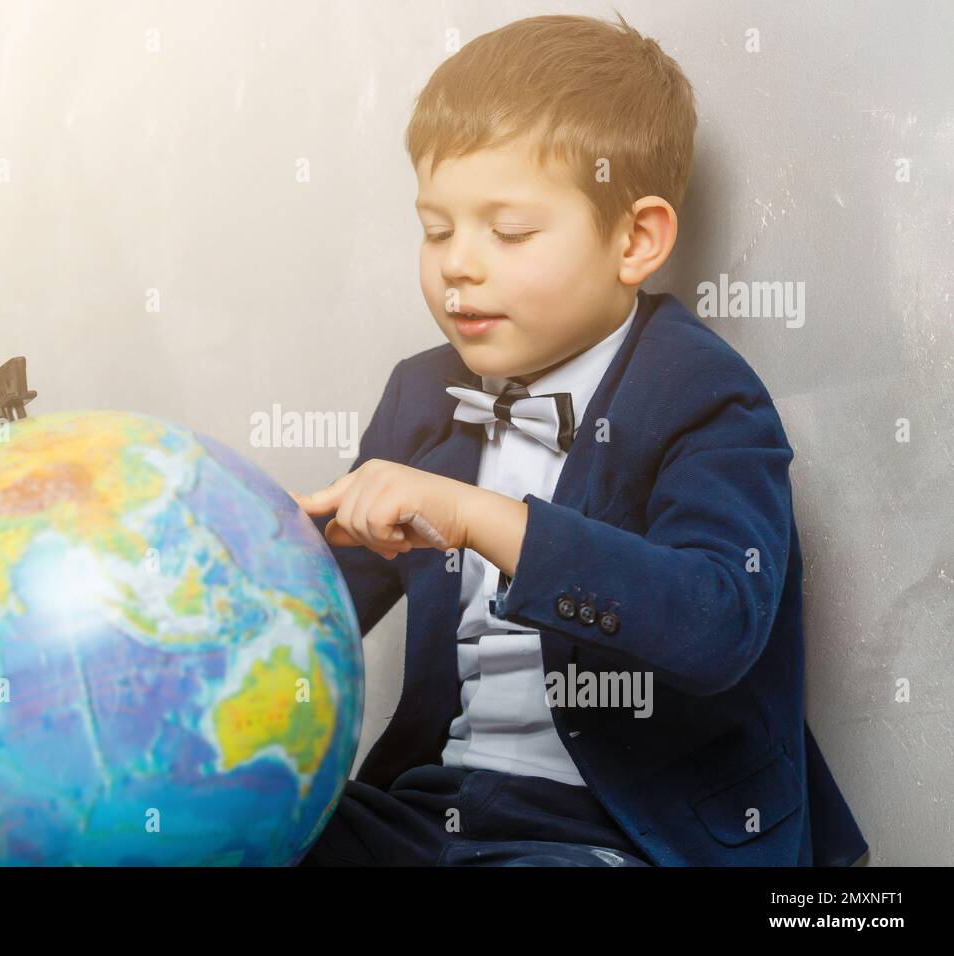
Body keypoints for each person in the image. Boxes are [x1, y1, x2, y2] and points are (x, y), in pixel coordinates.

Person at [291, 13, 867, 867]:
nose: (458, 265)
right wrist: (265, 551)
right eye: (437, 228)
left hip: (631, 832)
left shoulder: (708, 398)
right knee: (223, 843)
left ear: (634, 240)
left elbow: (715, 624)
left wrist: (478, 515)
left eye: (510, 232)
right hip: (437, 811)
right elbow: (324, 602)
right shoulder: (422, 392)